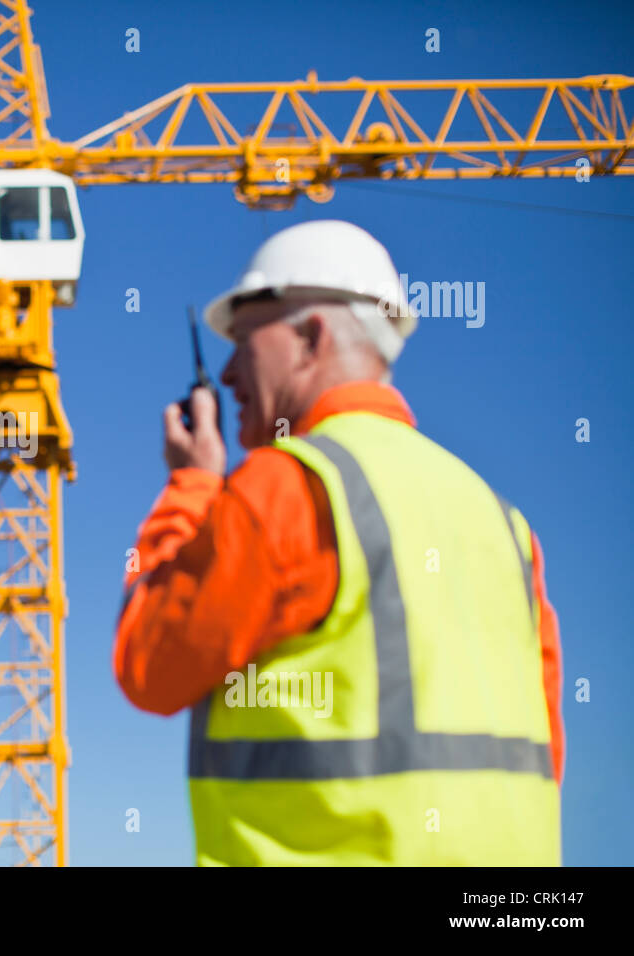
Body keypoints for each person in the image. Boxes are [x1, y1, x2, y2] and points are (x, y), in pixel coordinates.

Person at [115, 220, 563, 865]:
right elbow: (547, 745)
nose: (229, 373)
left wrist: (191, 485)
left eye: (243, 342)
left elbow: (150, 663)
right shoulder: (501, 520)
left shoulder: (291, 485)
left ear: (308, 338)